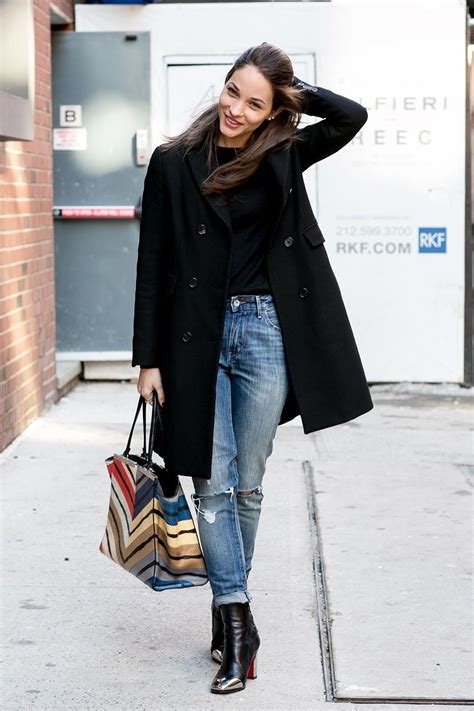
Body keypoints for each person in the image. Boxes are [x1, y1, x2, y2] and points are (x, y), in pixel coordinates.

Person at [133, 42, 373, 695]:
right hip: (195, 339)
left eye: (255, 102)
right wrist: (146, 357)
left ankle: (225, 602)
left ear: (274, 111)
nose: (236, 109)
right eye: (233, 91)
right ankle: (238, 621)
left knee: (248, 483)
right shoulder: (173, 161)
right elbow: (152, 259)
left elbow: (351, 117)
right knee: (212, 481)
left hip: (266, 332)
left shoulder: (284, 152)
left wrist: (294, 91)